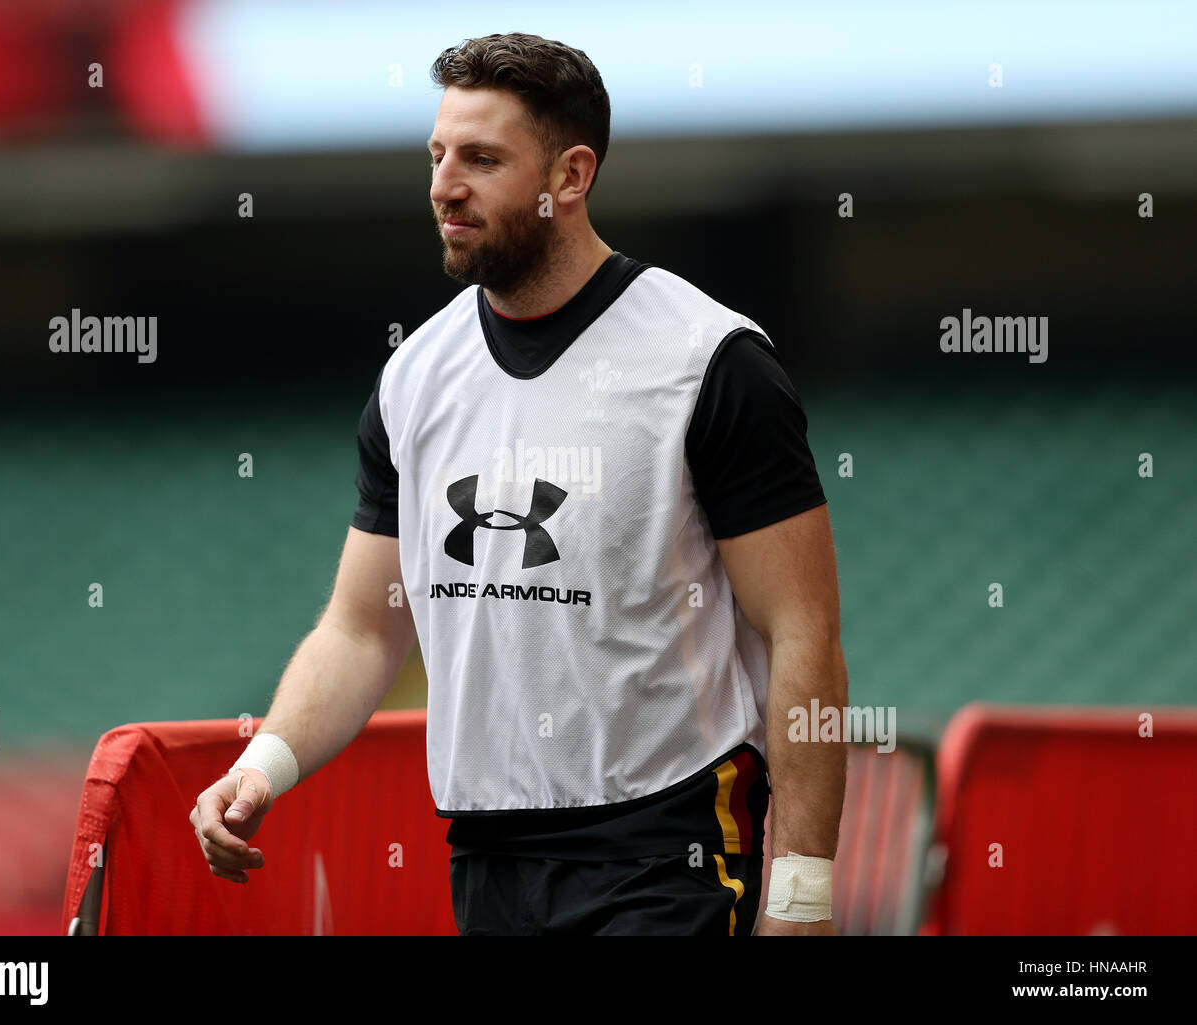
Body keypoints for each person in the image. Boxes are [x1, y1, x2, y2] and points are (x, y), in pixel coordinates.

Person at [190, 32, 848, 936]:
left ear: (570, 177)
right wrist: (263, 762)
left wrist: (803, 896)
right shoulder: (414, 376)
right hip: (488, 859)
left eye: (481, 159)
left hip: (667, 850)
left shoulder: (710, 361)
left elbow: (802, 629)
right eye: (437, 155)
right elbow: (361, 628)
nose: (443, 185)